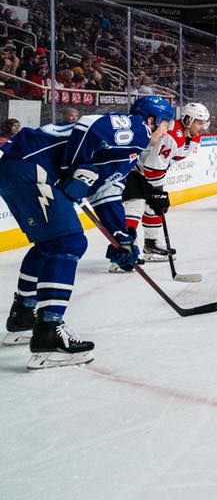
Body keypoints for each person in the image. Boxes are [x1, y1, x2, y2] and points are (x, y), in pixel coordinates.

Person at [1, 96, 172, 368]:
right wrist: (74, 168)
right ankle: (48, 332)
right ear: (152, 119)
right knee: (68, 242)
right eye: (165, 124)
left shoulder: (128, 155)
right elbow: (90, 124)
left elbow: (106, 194)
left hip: (17, 166)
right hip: (32, 163)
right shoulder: (139, 128)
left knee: (48, 245)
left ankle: (21, 317)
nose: (166, 131)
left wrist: (122, 238)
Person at [116, 101, 208, 266]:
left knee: (153, 206)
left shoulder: (193, 137)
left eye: (204, 123)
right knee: (135, 206)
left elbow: (158, 166)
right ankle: (123, 254)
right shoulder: (173, 135)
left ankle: (150, 246)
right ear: (188, 120)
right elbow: (152, 168)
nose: (203, 126)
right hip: (132, 167)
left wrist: (157, 193)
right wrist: (157, 191)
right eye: (200, 122)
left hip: (146, 170)